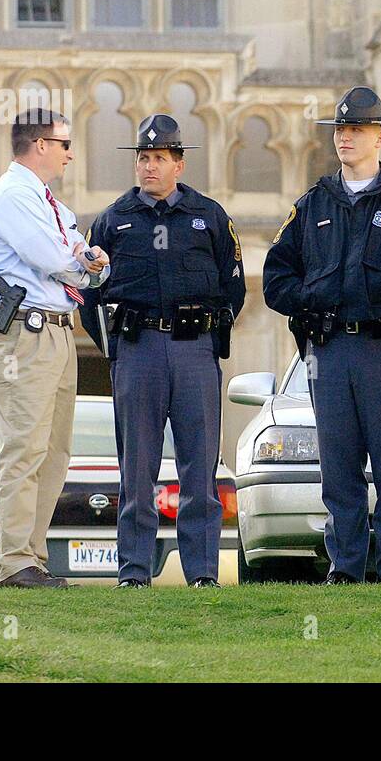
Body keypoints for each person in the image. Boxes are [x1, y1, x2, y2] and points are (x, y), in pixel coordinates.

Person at [262, 86, 381, 585]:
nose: (346, 138)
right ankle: (347, 565)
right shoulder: (313, 203)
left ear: (380, 137)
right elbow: (275, 278)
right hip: (330, 350)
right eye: (340, 130)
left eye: (356, 130)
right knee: (338, 465)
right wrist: (312, 301)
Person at [81, 115, 245, 588]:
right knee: (137, 468)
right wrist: (115, 351)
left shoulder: (209, 217)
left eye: (158, 158)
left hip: (195, 352)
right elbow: (89, 295)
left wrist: (211, 340)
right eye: (143, 158)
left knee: (200, 468)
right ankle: (134, 572)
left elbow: (233, 288)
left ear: (179, 163)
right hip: (138, 352)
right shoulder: (113, 222)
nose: (149, 167)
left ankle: (202, 573)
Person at [0, 108, 110, 588]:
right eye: (65, 144)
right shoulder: (13, 196)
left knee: (54, 452)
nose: (70, 153)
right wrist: (82, 261)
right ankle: (14, 561)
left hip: (56, 330)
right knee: (24, 446)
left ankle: (31, 559)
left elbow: (90, 261)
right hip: (23, 335)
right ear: (39, 146)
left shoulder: (47, 201)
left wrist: (84, 260)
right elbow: (56, 256)